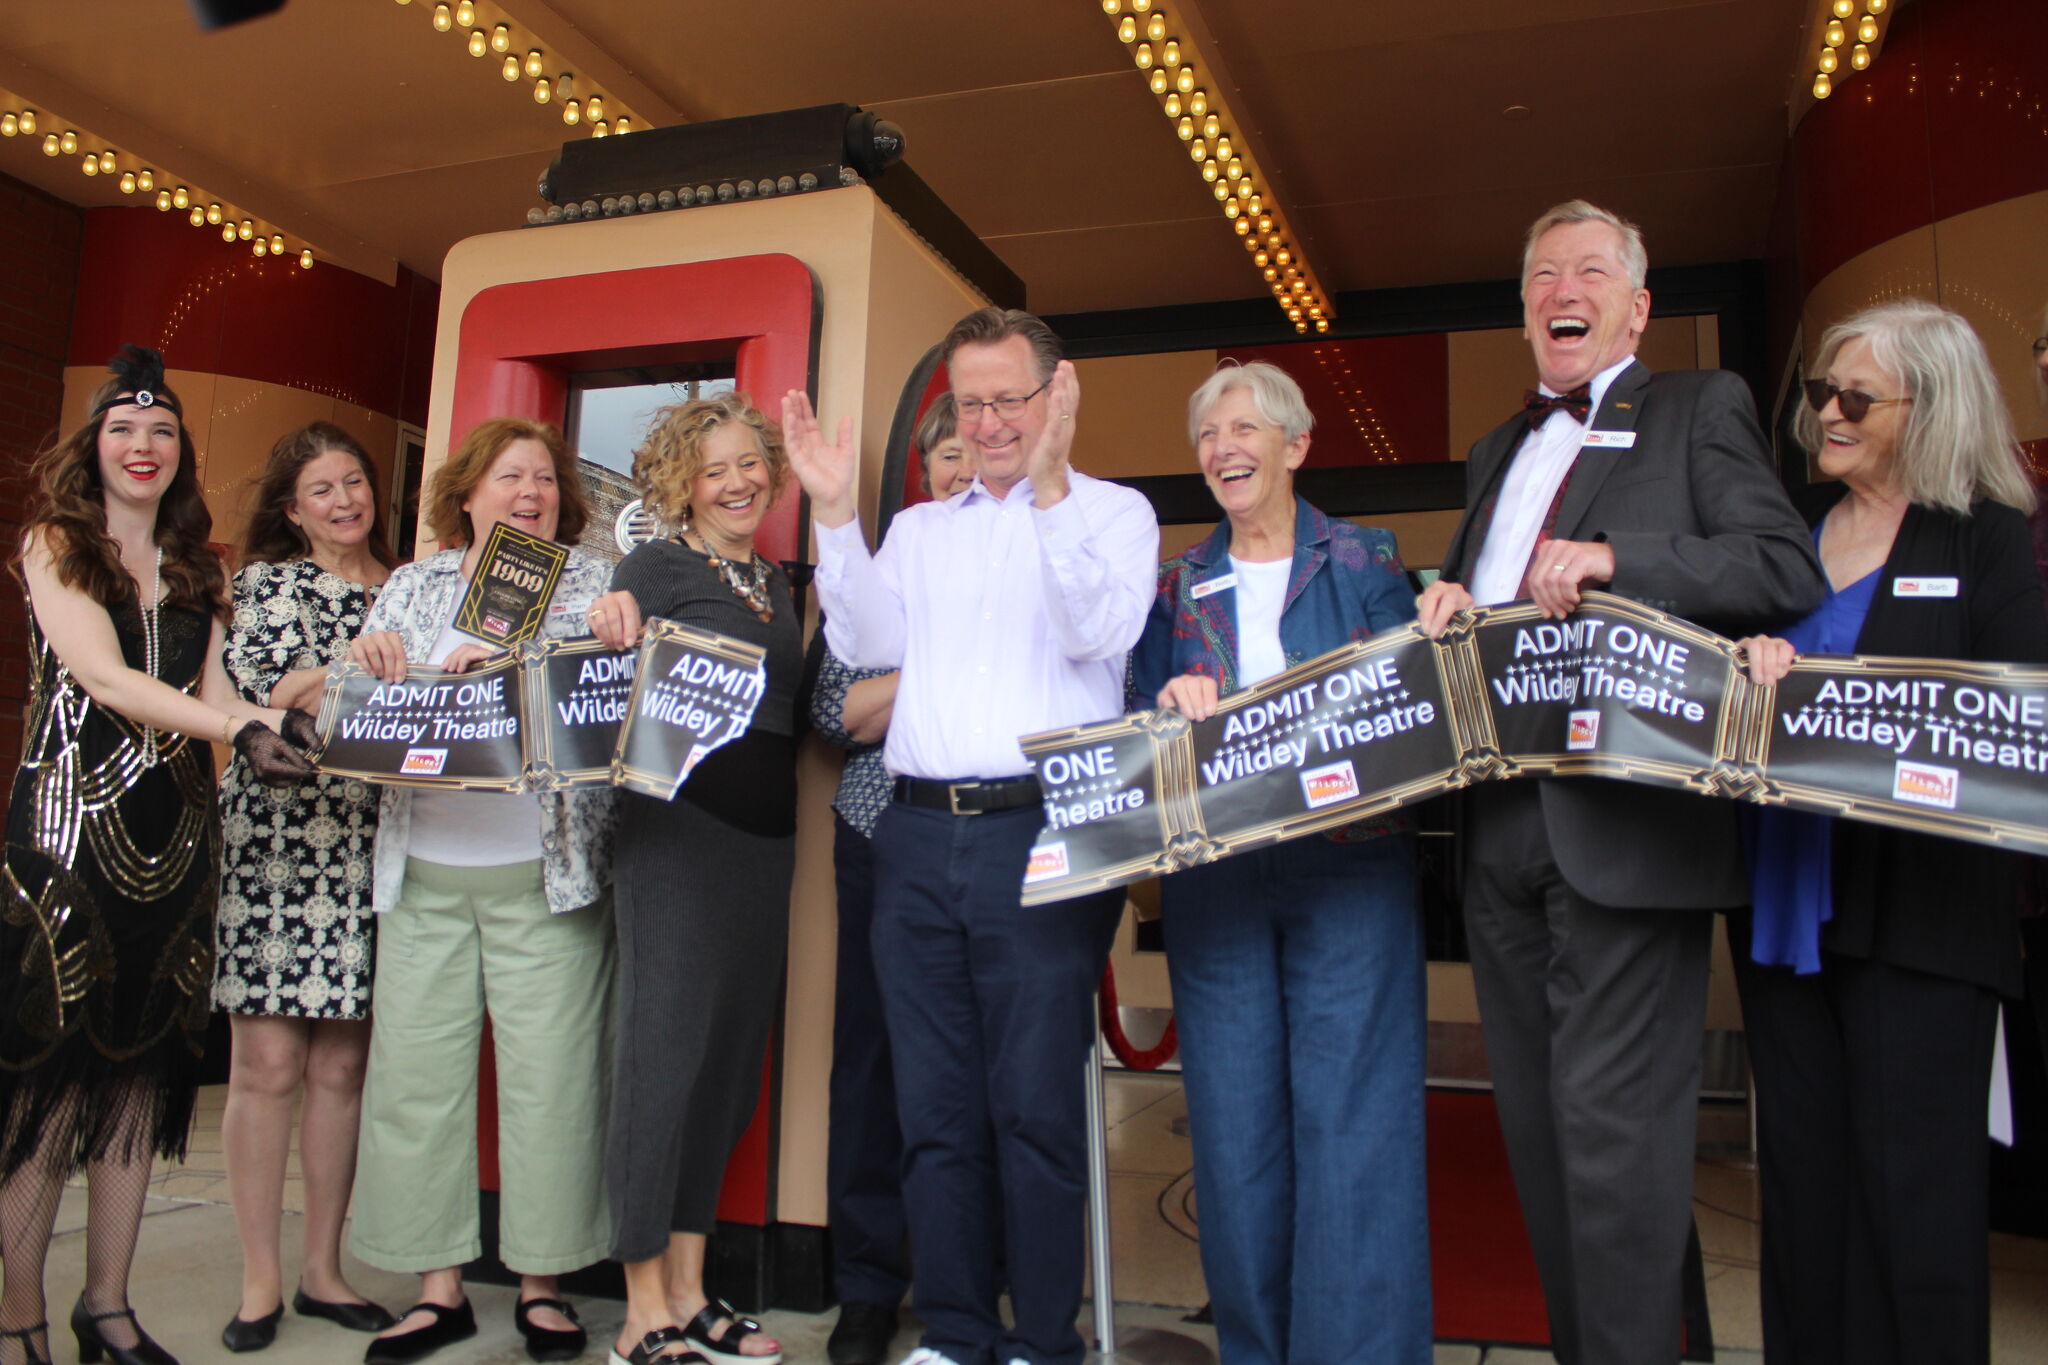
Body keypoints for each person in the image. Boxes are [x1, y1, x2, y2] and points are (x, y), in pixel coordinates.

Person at [1413, 201, 1825, 1365]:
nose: (1561, 286)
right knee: (1546, 1148)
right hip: (1495, 833)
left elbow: (1778, 564)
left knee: (1611, 1146)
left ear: (1636, 307)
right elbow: (1488, 618)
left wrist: (1615, 560)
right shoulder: (1499, 449)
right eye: (1541, 272)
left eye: (1589, 269)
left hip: (1626, 832)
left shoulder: (1696, 408)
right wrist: (1446, 609)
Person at [785, 307, 1160, 1365]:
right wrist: (828, 514)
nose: (989, 423)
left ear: (1056, 397)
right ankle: (952, 1331)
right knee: (933, 1107)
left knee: (1033, 1109)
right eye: (971, 404)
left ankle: (1044, 1338)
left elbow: (1095, 632)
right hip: (912, 839)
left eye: (1008, 400)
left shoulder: (1114, 515)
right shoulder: (920, 530)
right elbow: (861, 643)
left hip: (1040, 837)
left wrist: (1044, 493)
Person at [1731, 299, 2047, 1364]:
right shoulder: (1781, 537)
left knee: (1916, 1217)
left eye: (1854, 397)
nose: (1825, 412)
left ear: (1929, 408)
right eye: (1820, 391)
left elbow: (2016, 728)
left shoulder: (1985, 540)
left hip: (1922, 924)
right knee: (1805, 1209)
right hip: (1786, 921)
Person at [0, 346, 314, 1365]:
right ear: (94, 445)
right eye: (125, 429)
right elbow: (103, 677)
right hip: (65, 839)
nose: (144, 446)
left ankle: (110, 1311)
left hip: (176, 839)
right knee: (49, 1091)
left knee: (137, 1085)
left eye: (163, 432)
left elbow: (215, 696)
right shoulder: (57, 543)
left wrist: (266, 721)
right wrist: (240, 727)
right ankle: (21, 1322)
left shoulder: (198, 568)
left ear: (182, 454)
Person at [1129, 360, 1430, 1365]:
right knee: (1232, 1132)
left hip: (1348, 871)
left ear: (1295, 446)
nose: (1223, 447)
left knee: (1355, 1126)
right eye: (1209, 433)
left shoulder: (1364, 561)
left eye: (1245, 427)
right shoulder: (1175, 584)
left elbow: (1414, 712)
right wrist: (1165, 708)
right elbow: (1134, 731)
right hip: (1217, 882)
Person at [347, 417, 631, 1365]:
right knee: (415, 1084)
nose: (530, 492)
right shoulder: (412, 586)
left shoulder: (591, 586)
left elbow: (615, 704)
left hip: (543, 877)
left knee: (553, 1081)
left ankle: (544, 1286)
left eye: (545, 479)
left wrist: (588, 645)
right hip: (424, 871)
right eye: (510, 476)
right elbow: (363, 705)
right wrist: (385, 661)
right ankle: (436, 1289)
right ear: (467, 493)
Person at [598, 396, 800, 1365]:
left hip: (764, 852)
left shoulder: (775, 582)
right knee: (662, 1065)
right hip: (675, 841)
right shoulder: (655, 568)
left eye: (750, 464)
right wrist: (611, 628)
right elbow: (610, 658)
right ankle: (641, 1309)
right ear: (683, 481)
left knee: (724, 1076)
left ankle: (690, 1286)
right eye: (715, 468)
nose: (737, 482)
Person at [216, 423, 401, 1354]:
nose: (344, 500)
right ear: (292, 509)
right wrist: (350, 662)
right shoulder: (267, 584)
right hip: (281, 837)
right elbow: (255, 689)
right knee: (268, 1066)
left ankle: (322, 1269)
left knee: (341, 1067)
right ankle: (258, 1277)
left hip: (377, 836)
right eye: (322, 489)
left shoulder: (410, 584)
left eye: (356, 481)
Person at [813, 395, 973, 1365]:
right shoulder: (882, 569)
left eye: (983, 449)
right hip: (879, 839)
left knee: (982, 1077)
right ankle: (866, 1288)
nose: (965, 468)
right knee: (871, 1068)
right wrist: (960, 665)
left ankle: (971, 1274)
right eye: (949, 453)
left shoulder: (1038, 559)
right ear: (925, 469)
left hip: (1000, 847)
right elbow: (841, 712)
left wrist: (910, 680)